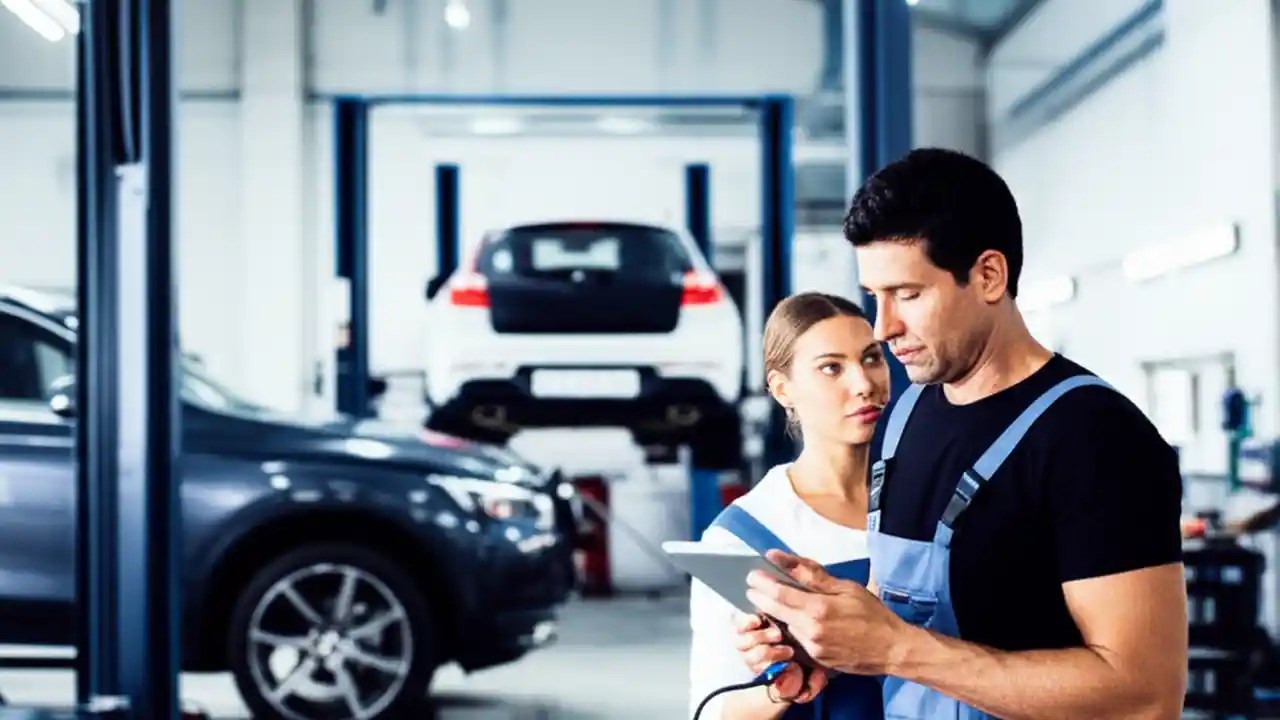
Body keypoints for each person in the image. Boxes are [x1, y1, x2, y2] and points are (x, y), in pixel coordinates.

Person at [740, 148, 1189, 719]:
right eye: (875, 297)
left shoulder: (1096, 439)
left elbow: (1146, 696)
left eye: (908, 295)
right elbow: (895, 614)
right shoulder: (902, 421)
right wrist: (828, 635)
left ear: (988, 276)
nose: (884, 328)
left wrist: (897, 649)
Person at [687, 292, 890, 719]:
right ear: (783, 389)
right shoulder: (742, 538)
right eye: (831, 368)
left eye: (871, 358)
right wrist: (783, 687)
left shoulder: (929, 503)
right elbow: (712, 711)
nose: (864, 383)